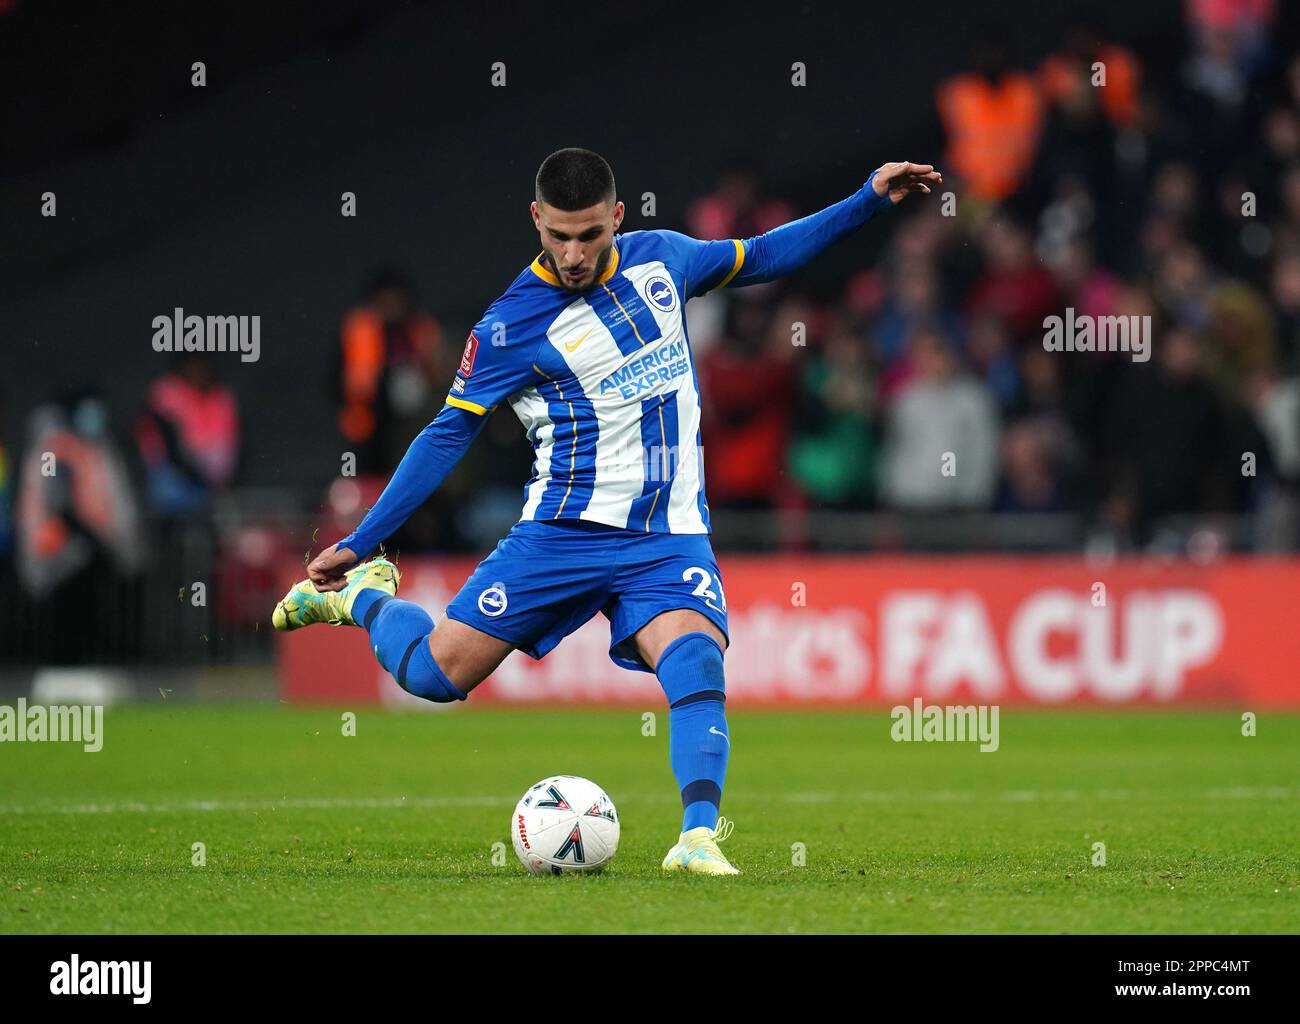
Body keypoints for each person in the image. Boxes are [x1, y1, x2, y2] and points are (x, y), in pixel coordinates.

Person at [272, 148, 939, 874]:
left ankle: (696, 837)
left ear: (618, 218)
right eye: (558, 235)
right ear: (536, 221)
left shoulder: (665, 261)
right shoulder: (507, 327)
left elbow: (768, 254)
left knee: (695, 657)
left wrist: (866, 200)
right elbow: (446, 433)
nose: (574, 252)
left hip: (667, 537)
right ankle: (365, 602)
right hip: (559, 536)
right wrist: (365, 539)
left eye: (590, 234)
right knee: (436, 677)